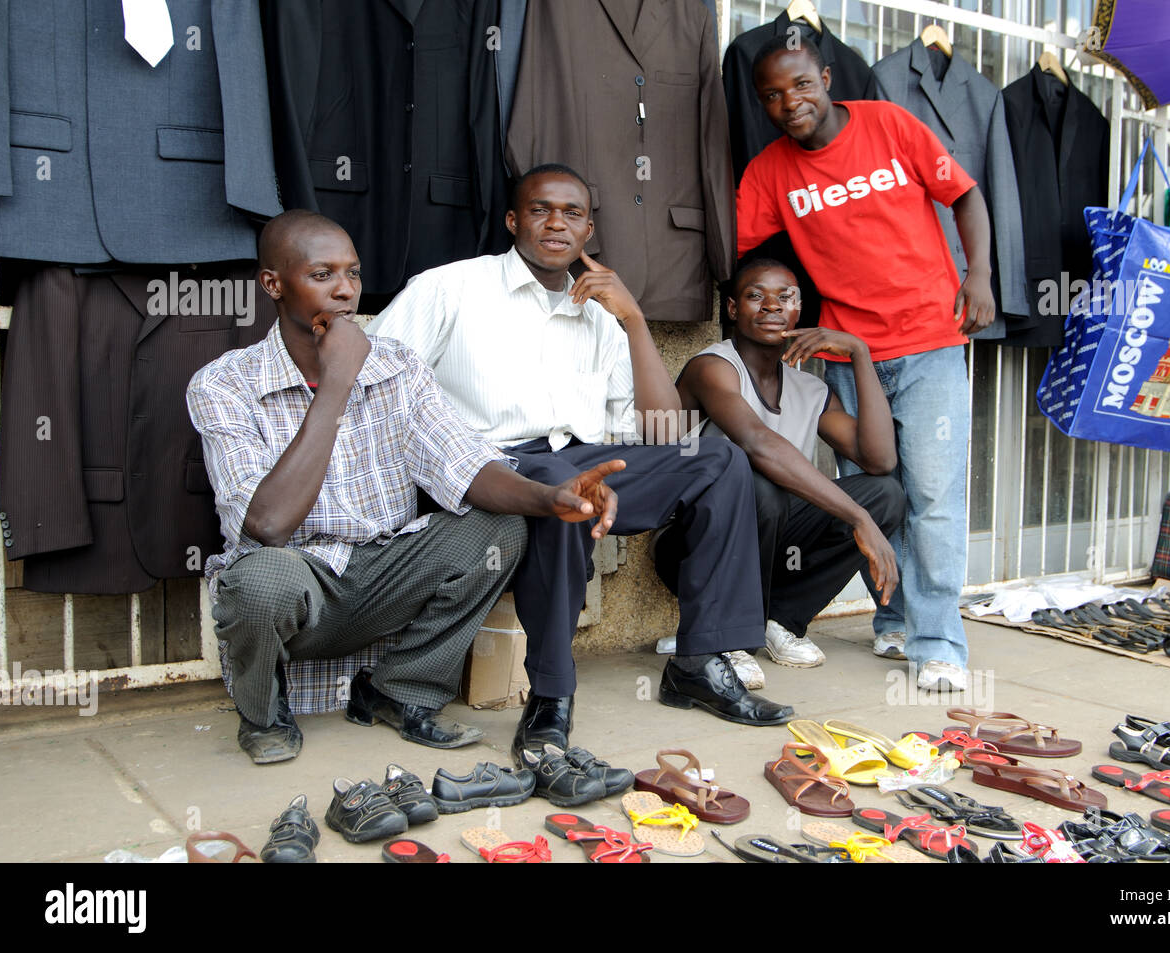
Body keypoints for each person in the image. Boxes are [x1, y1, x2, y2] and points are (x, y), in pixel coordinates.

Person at [369, 164, 795, 773]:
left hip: (580, 456)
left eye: (572, 213)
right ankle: (550, 694)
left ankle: (700, 662)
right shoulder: (449, 289)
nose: (556, 223)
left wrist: (635, 320)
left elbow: (662, 431)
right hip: (486, 464)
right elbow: (375, 379)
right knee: (567, 493)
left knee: (715, 456)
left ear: (588, 228)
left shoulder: (599, 316)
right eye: (541, 209)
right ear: (514, 220)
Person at [187, 209, 623, 765]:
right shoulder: (224, 382)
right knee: (257, 579)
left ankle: (401, 691)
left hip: (386, 574)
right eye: (323, 275)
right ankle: (265, 713)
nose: (345, 291)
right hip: (299, 587)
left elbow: (464, 464)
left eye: (353, 274)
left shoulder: (397, 366)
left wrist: (553, 498)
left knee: (500, 528)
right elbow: (267, 525)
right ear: (273, 284)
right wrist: (337, 382)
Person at [737, 36, 996, 691]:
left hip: (930, 340)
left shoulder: (889, 123)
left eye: (799, 86)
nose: (789, 102)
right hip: (847, 356)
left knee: (934, 498)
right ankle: (896, 620)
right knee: (881, 499)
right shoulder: (769, 171)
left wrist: (980, 277)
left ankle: (940, 644)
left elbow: (964, 194)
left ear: (825, 78)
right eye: (772, 94)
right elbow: (751, 265)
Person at [656, 258, 904, 673]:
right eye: (755, 296)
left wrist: (860, 353)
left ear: (799, 309)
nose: (772, 306)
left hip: (774, 544)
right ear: (733, 309)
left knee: (886, 494)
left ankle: (779, 620)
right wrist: (858, 519)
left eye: (784, 297)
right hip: (690, 545)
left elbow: (879, 460)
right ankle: (726, 635)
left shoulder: (810, 388)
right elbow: (758, 444)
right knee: (760, 483)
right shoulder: (713, 367)